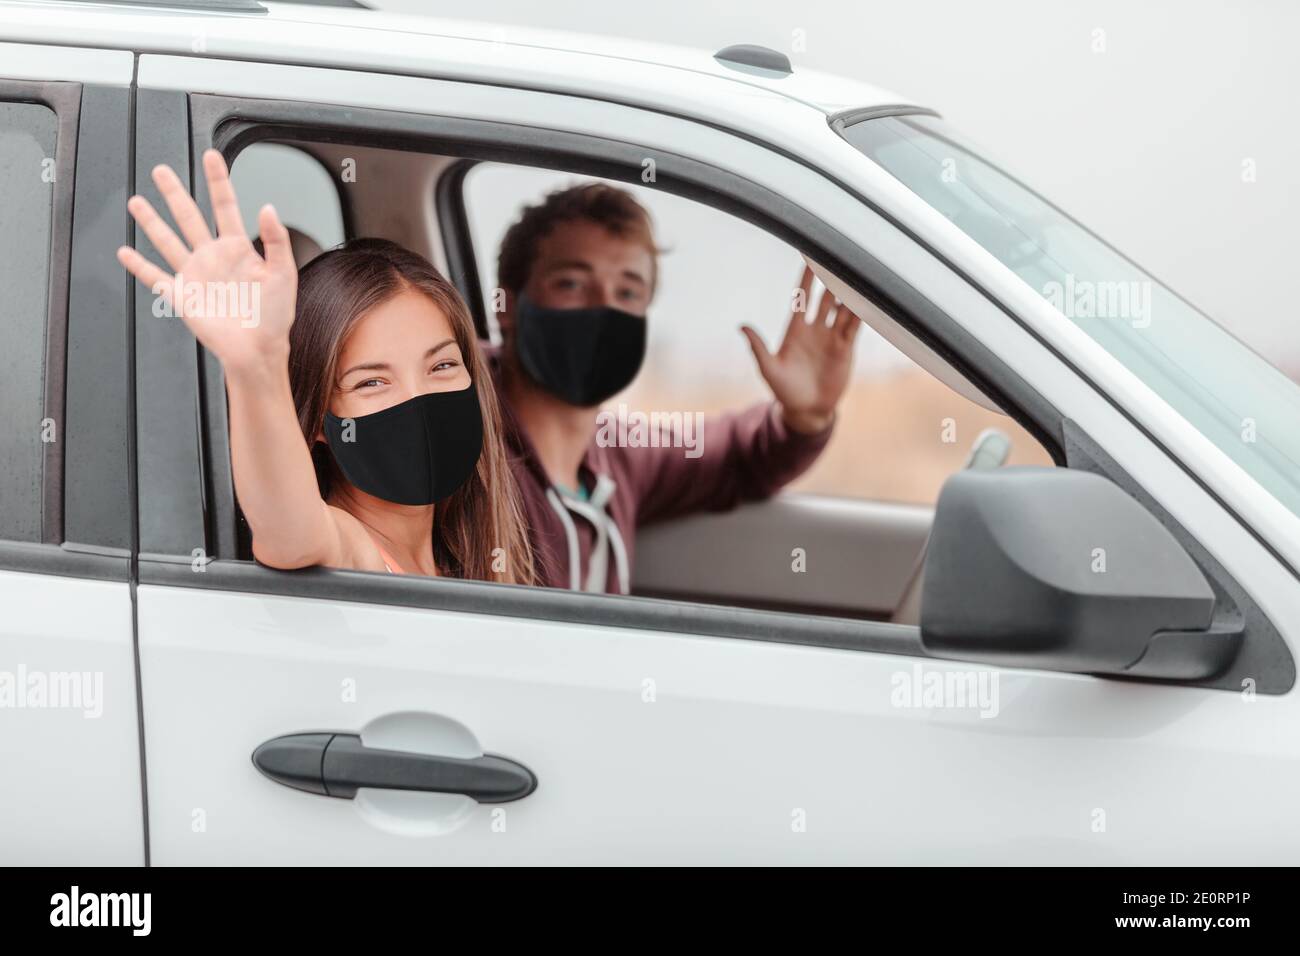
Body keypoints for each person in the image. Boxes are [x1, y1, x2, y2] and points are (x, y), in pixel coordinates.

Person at [117, 149, 533, 583]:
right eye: (371, 382)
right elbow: (291, 530)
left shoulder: (469, 557)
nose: (417, 400)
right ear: (320, 421)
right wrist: (256, 366)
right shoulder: (352, 549)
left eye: (442, 365)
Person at [493, 182, 860, 593]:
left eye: (628, 292)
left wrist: (804, 415)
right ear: (507, 307)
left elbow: (736, 457)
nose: (604, 309)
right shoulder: (465, 438)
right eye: (572, 284)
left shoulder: (616, 455)